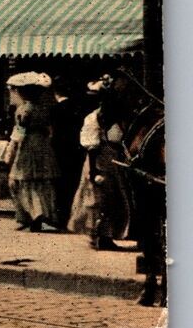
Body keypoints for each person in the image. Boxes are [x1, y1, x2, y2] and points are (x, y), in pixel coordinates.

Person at [66, 79, 129, 249]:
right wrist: (93, 171)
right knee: (97, 200)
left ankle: (107, 236)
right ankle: (100, 236)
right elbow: (92, 148)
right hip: (99, 162)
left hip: (113, 162)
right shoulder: (93, 119)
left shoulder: (115, 119)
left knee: (113, 199)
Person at [7, 78, 62, 231]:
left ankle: (32, 216)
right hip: (42, 144)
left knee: (25, 179)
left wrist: (13, 146)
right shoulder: (43, 108)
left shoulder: (23, 109)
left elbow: (20, 130)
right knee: (41, 181)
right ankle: (41, 214)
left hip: (28, 143)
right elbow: (48, 128)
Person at [49, 79, 87, 228]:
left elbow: (52, 132)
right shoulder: (78, 108)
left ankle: (60, 217)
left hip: (58, 150)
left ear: (55, 93)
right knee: (73, 183)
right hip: (75, 149)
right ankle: (72, 215)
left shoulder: (54, 110)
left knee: (60, 184)